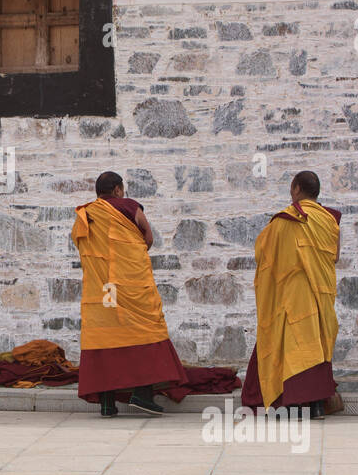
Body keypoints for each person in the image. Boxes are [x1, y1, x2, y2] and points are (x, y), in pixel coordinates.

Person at [72, 171, 239, 417]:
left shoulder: (86, 215)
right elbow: (147, 239)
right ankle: (141, 393)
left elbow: (83, 246)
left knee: (105, 337)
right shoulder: (129, 207)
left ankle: (107, 403)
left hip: (104, 290)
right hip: (131, 285)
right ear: (118, 189)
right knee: (145, 332)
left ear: (98, 193)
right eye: (122, 189)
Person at [241, 171, 342, 418]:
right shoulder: (329, 219)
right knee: (315, 343)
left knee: (295, 344)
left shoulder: (285, 220)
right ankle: (317, 404)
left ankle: (297, 403)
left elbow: (263, 253)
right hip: (321, 292)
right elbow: (335, 256)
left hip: (293, 295)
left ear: (296, 189)